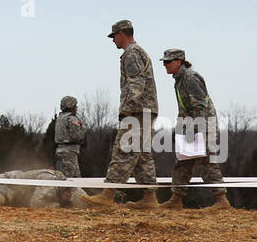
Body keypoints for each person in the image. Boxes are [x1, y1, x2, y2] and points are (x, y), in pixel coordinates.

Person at [85, 19, 160, 209]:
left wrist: (127, 107)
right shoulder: (137, 52)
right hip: (145, 109)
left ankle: (108, 195)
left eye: (114, 36)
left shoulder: (132, 53)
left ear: (122, 34)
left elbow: (136, 82)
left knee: (124, 149)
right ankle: (150, 197)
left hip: (136, 110)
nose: (113, 41)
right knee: (142, 154)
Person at [159, 49, 228, 210]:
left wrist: (194, 131)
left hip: (202, 126)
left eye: (168, 62)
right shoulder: (180, 79)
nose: (165, 65)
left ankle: (221, 200)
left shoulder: (190, 78)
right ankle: (176, 199)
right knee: (183, 163)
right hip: (193, 126)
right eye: (164, 62)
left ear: (179, 61)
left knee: (206, 162)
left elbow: (199, 106)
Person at [53, 95, 88, 207]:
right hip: (69, 152)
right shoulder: (72, 119)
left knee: (69, 179)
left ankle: (79, 202)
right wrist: (83, 128)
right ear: (72, 106)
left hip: (61, 150)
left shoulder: (60, 118)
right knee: (71, 180)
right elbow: (77, 135)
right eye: (75, 106)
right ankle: (72, 204)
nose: (76, 108)